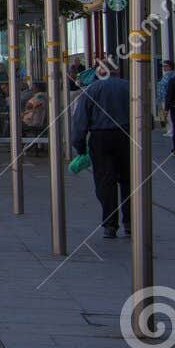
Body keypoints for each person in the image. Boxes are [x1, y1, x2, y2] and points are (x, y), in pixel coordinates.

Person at [71, 59, 131, 237]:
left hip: (100, 138)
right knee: (128, 180)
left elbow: (80, 121)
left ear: (99, 72)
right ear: (116, 71)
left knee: (105, 181)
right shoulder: (129, 87)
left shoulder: (92, 90)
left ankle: (110, 225)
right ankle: (130, 222)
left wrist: (80, 146)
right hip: (126, 137)